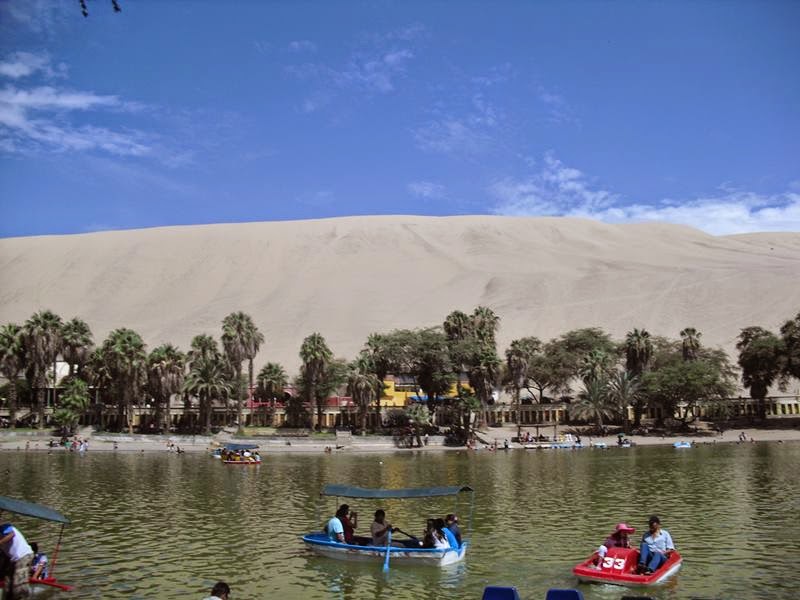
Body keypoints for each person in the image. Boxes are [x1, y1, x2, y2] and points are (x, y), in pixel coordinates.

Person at [0, 522, 33, 599]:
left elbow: (11, 534)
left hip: (23, 556)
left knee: (19, 584)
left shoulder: (5, 527)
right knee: (8, 585)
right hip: (13, 559)